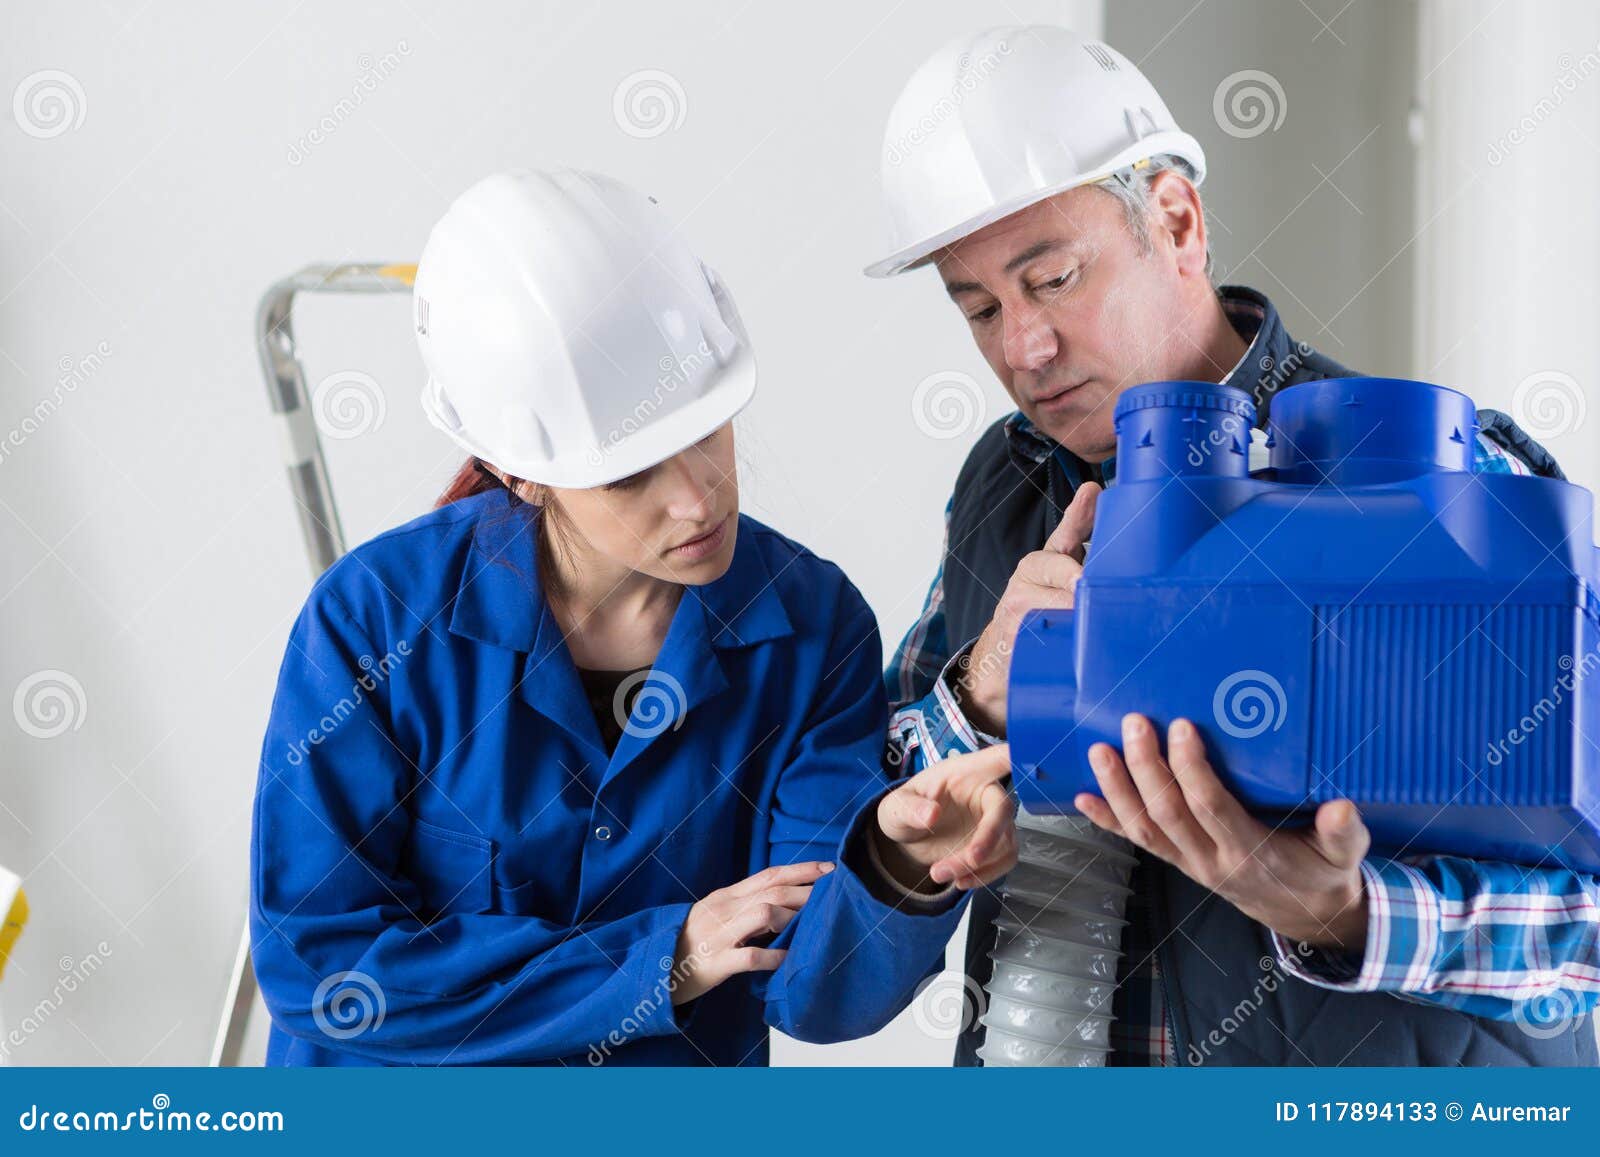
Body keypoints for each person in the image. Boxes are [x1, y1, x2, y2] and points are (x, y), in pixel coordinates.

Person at [869, 26, 1600, 1066]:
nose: (1021, 349)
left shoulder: (1435, 484)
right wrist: (972, 696)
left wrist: (1350, 913)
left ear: (1175, 219)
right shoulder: (1004, 485)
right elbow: (886, 798)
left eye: (1054, 279)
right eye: (979, 307)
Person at [249, 168, 1016, 1066]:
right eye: (630, 471)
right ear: (522, 472)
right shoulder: (379, 619)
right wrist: (665, 959)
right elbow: (322, 964)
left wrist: (892, 865)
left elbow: (812, 990)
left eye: (706, 429)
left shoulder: (810, 625)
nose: (697, 501)